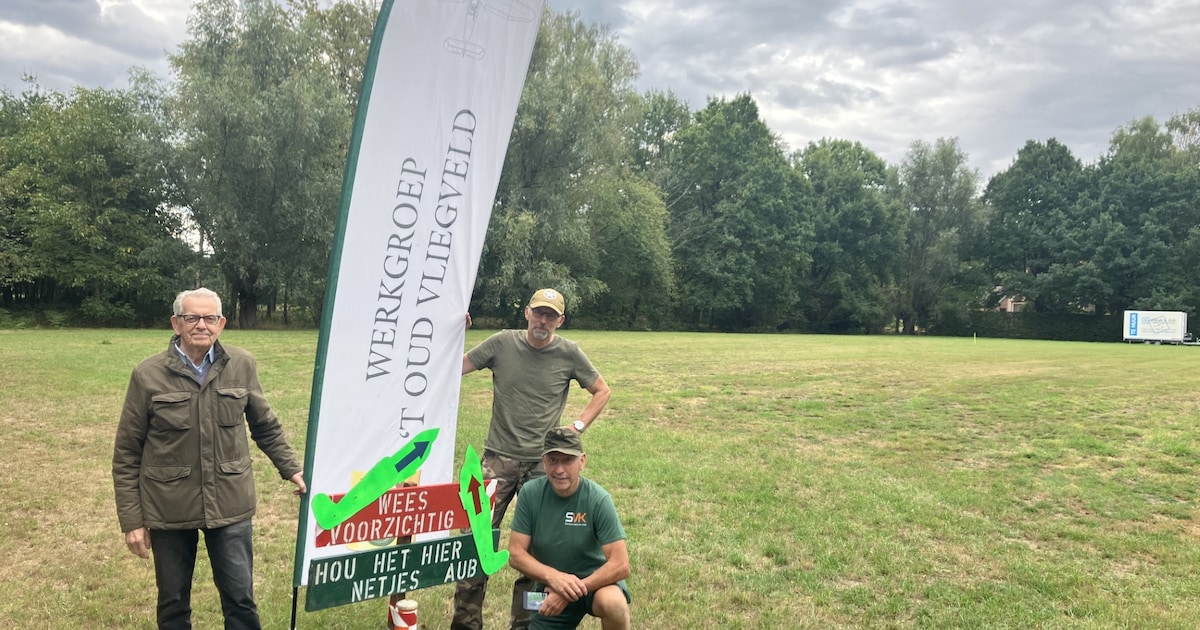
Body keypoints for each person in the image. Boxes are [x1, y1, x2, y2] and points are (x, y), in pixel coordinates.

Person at [112, 288, 306, 630]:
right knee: (172, 604)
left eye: (210, 318)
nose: (201, 325)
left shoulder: (242, 365)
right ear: (176, 323)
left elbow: (265, 425)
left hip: (230, 502)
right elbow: (127, 453)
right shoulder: (148, 375)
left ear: (221, 323)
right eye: (191, 317)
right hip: (168, 507)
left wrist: (292, 468)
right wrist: (132, 521)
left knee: (240, 599)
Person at [452, 288, 612, 630]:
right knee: (474, 543)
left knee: (538, 555)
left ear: (560, 321)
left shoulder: (569, 353)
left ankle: (526, 625)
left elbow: (602, 390)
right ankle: (465, 624)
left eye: (551, 316)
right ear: (526, 312)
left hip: (544, 467)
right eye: (538, 313)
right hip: (497, 460)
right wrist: (452, 335)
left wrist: (577, 426)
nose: (543, 321)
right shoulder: (501, 343)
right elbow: (455, 369)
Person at [508, 427, 631, 630]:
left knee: (614, 603)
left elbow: (621, 564)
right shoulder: (530, 494)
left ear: (582, 461)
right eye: (553, 460)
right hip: (551, 589)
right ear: (544, 461)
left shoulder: (598, 499)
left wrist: (569, 591)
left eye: (568, 460)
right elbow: (516, 554)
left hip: (596, 584)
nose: (559, 469)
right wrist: (555, 579)